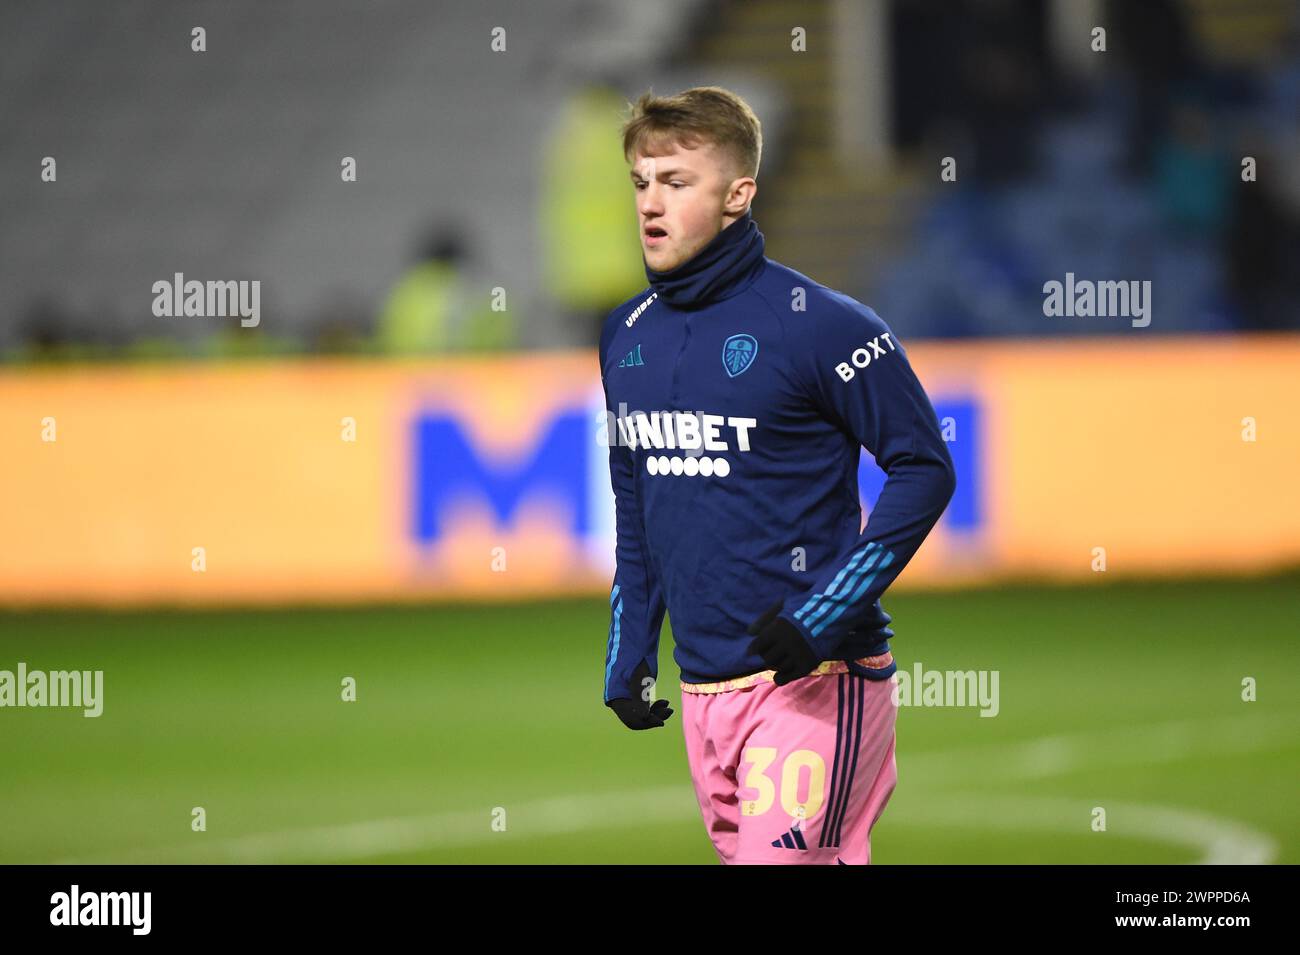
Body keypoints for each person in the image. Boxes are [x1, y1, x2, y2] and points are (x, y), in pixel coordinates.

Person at [598, 86, 956, 865]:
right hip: (704, 693)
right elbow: (637, 503)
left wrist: (822, 614)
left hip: (816, 678)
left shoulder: (824, 326)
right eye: (641, 182)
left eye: (676, 182)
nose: (650, 202)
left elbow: (924, 468)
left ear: (738, 195)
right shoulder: (625, 335)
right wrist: (630, 647)